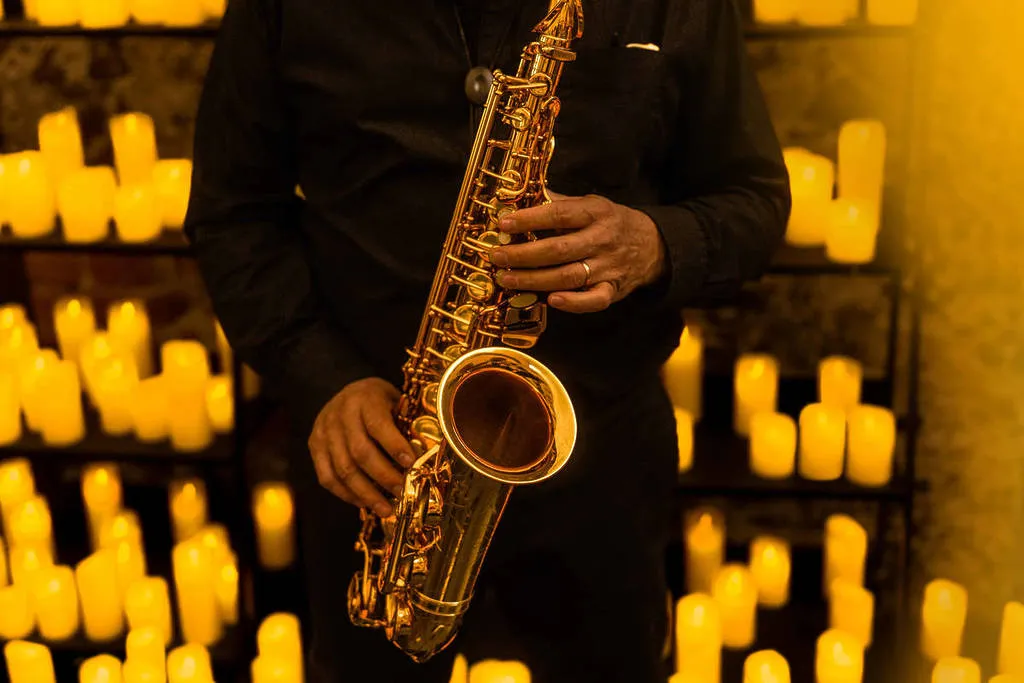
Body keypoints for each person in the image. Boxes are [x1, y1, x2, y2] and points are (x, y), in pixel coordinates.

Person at [184, 0, 789, 680]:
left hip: (602, 466)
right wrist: (321, 376)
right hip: (381, 463)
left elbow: (754, 197)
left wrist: (653, 245)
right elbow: (232, 211)